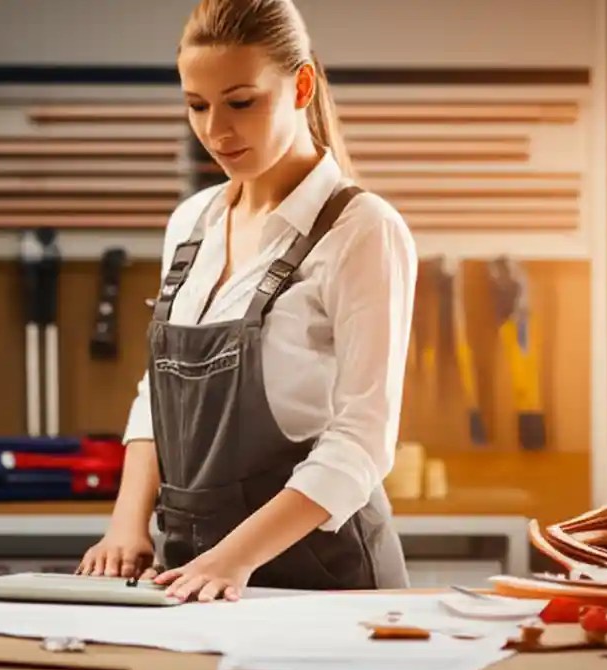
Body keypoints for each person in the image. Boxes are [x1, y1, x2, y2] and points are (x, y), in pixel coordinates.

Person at [76, 0, 416, 602]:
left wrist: (233, 559)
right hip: (193, 574)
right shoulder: (191, 223)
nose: (216, 131)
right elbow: (157, 395)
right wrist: (127, 526)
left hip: (324, 579)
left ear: (301, 85)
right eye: (196, 106)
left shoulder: (362, 229)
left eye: (241, 102)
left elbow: (362, 439)